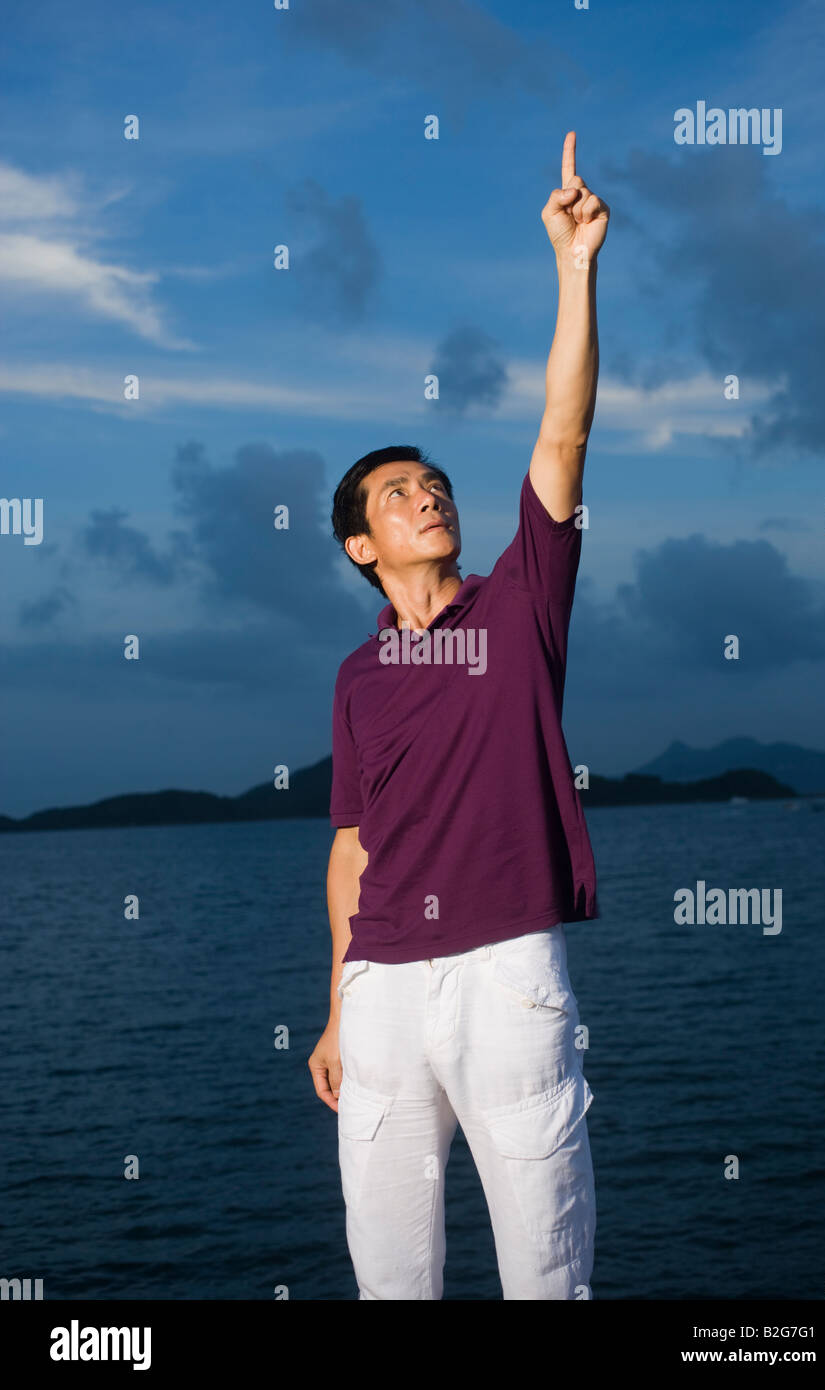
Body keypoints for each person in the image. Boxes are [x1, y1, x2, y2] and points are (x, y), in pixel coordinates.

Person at [308, 131, 609, 1300]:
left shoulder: (521, 596)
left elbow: (561, 431)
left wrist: (573, 267)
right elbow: (348, 848)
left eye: (430, 483)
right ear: (359, 545)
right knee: (391, 1280)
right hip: (379, 990)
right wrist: (333, 1012)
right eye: (395, 494)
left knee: (544, 1274)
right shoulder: (356, 676)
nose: (424, 495)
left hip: (505, 972)